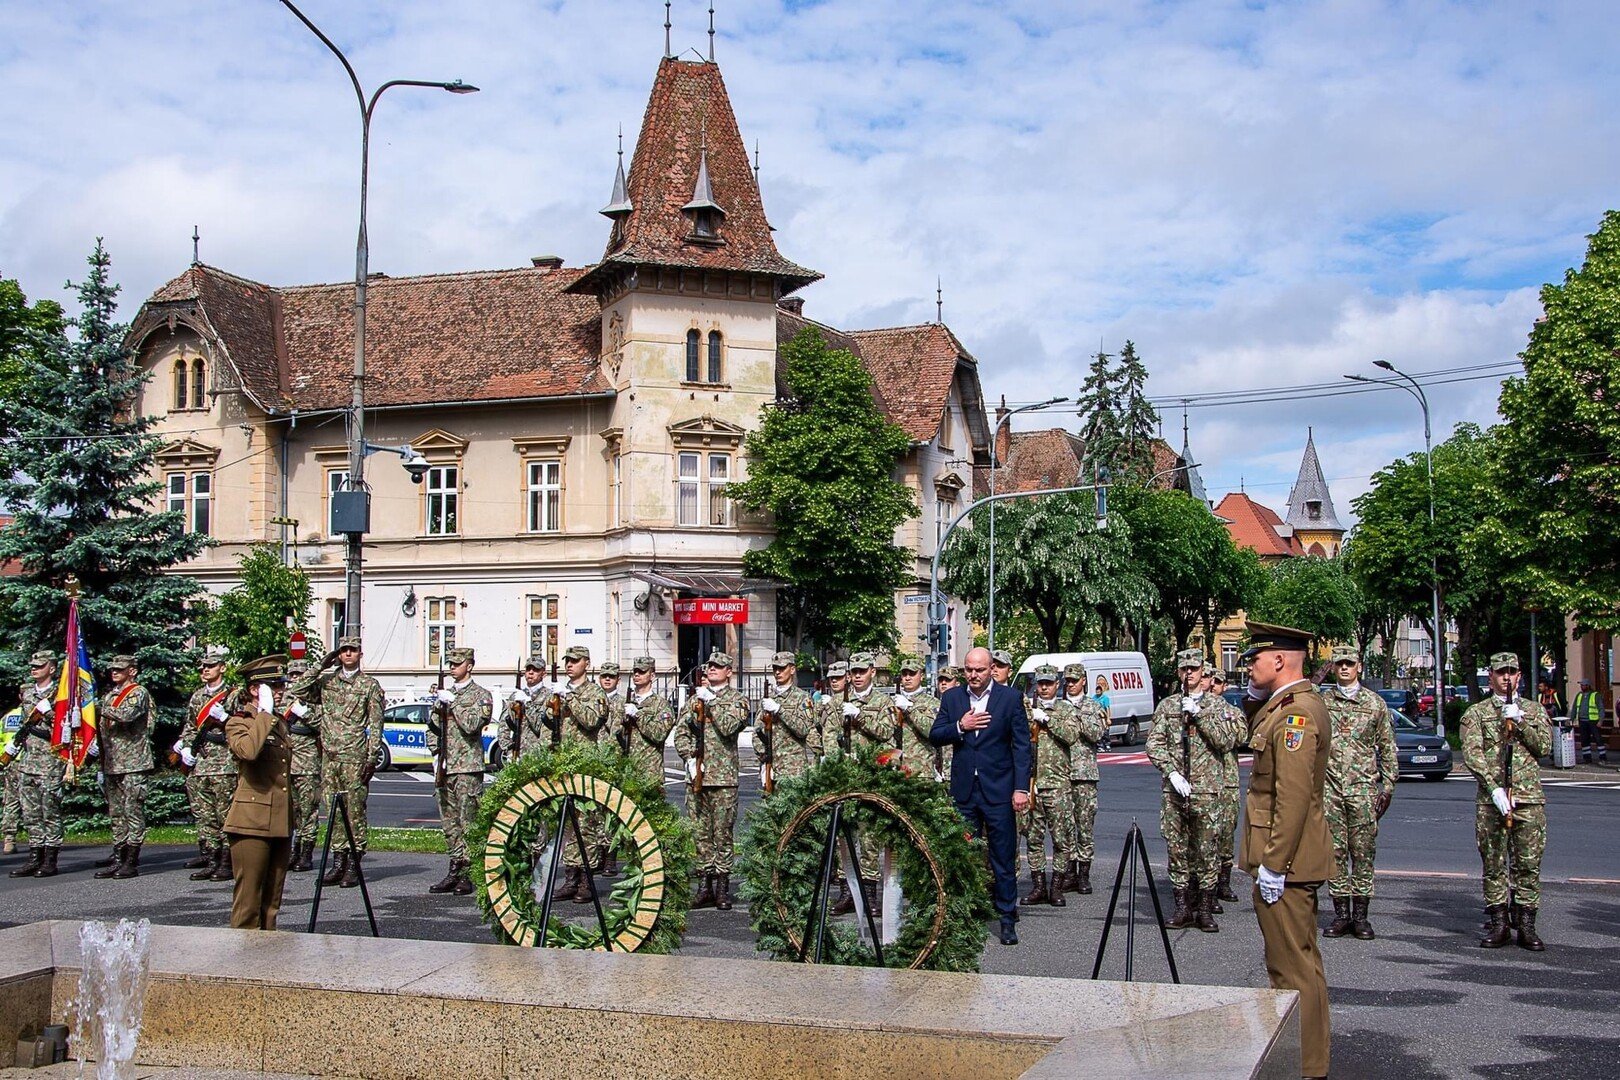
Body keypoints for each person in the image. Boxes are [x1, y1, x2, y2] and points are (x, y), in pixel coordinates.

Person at [1240, 622, 1334, 1080]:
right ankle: (1308, 1062)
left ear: (1279, 660)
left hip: (1287, 861)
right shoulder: (1284, 706)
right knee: (1301, 964)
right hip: (1289, 857)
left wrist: (1274, 865)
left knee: (1291, 970)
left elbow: (1292, 797)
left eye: (1255, 658)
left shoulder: (1296, 714)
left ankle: (1304, 1067)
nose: (1249, 665)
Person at [930, 646, 1032, 946]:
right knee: (964, 856)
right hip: (964, 791)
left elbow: (1022, 746)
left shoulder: (1010, 699)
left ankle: (1007, 917)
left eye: (979, 670)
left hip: (999, 790)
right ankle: (965, 917)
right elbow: (936, 734)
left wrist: (1021, 788)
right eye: (969, 670)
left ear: (991, 670)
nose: (973, 675)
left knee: (1002, 856)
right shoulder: (952, 698)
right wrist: (961, 726)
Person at [1461, 653, 1551, 951]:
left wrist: (1520, 721)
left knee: (1528, 864)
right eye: (1501, 673)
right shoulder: (1477, 713)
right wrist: (1493, 789)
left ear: (1520, 675)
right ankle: (1499, 922)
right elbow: (1472, 754)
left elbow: (1545, 747)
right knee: (1494, 863)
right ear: (1492, 677)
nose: (1507, 678)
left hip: (1528, 798)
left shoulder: (1534, 710)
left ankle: (1526, 924)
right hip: (1493, 801)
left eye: (1512, 672)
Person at [1146, 649, 1240, 931]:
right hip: (1175, 792)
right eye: (1184, 669)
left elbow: (1227, 742)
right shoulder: (1167, 706)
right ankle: (1182, 907)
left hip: (1208, 790)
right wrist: (1171, 772)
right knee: (1177, 850)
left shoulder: (1218, 706)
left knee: (1207, 851)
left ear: (1203, 673)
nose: (1189, 674)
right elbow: (1154, 744)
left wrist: (1200, 716)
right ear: (1179, 673)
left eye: (1194, 669)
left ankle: (1204, 909)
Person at [290, 636, 384, 888]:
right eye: (343, 651)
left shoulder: (369, 685)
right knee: (332, 810)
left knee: (353, 811)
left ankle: (353, 862)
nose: (348, 654)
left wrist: (372, 757)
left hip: (354, 756)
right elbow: (295, 690)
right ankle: (338, 861)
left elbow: (375, 724)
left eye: (352, 650)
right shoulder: (326, 681)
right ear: (338, 655)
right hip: (329, 757)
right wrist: (321, 664)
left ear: (360, 654)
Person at [1319, 646, 1398, 940]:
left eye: (1349, 664)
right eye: (1339, 664)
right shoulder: (1323, 702)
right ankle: (1340, 915)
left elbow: (1388, 748)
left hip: (1363, 789)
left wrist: (1388, 787)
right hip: (1331, 790)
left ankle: (1361, 916)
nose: (1344, 669)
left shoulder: (1374, 704)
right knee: (1335, 852)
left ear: (1359, 667)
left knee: (1363, 852)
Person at [674, 649, 749, 911]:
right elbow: (680, 733)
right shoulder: (694, 700)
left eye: (718, 667)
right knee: (700, 834)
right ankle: (704, 885)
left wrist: (712, 703)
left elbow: (729, 727)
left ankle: (723, 886)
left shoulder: (737, 700)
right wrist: (689, 758)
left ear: (729, 671)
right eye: (709, 667)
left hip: (723, 778)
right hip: (697, 776)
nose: (712, 670)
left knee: (723, 834)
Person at [224, 654, 294, 930]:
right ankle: (241, 963)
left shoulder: (277, 721)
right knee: (248, 903)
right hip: (251, 821)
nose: (280, 691)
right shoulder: (239, 722)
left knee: (272, 902)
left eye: (281, 685)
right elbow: (249, 751)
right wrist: (264, 714)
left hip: (279, 819)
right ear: (255, 690)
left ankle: (267, 961)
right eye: (273, 685)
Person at [426, 647, 491, 897]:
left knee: (468, 822)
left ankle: (469, 871)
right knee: (450, 824)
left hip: (467, 767)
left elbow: (472, 725)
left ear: (470, 665)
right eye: (450, 664)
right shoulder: (445, 694)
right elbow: (432, 727)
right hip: (445, 766)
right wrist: (434, 754)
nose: (453, 667)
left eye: (457, 663)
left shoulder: (481, 696)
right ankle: (455, 867)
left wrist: (453, 704)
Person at [546, 645, 608, 902]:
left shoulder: (595, 693)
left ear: (586, 663)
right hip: (562, 764)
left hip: (584, 764)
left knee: (587, 825)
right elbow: (549, 725)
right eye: (567, 661)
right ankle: (570, 877)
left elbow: (592, 721)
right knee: (568, 824)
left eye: (574, 661)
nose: (569, 665)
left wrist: (570, 699)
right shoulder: (561, 692)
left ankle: (586, 879)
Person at [1020, 664, 1078, 906]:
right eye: (1040, 683)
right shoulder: (1025, 708)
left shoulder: (1065, 709)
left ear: (1057, 684)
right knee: (1033, 838)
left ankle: (1057, 886)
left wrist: (1048, 720)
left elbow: (1072, 735)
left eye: (1049, 683)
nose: (1044, 687)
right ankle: (1038, 886)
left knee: (1062, 839)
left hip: (1057, 784)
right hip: (1032, 782)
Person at [93, 655, 153, 879]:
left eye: (120, 669)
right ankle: (118, 858)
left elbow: (127, 716)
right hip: (112, 763)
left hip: (133, 762)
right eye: (113, 670)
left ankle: (131, 861)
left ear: (132, 671)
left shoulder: (138, 693)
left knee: (133, 811)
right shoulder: (109, 696)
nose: (114, 673)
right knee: (116, 813)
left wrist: (98, 708)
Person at [181, 646, 238, 883]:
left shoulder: (233, 695)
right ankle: (212, 859)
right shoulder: (197, 696)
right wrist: (184, 746)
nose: (205, 670)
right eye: (203, 667)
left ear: (222, 668)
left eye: (210, 666)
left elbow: (242, 728)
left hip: (224, 764)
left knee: (225, 814)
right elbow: (190, 727)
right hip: (201, 765)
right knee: (204, 816)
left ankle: (228, 862)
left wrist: (226, 718)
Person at [9, 651, 66, 878]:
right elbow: (25, 725)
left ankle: (50, 859)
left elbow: (66, 728)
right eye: (32, 666)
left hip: (50, 761)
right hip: (29, 760)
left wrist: (50, 713)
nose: (34, 669)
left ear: (51, 668)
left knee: (49, 810)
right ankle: (34, 857)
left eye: (40, 666)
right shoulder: (28, 692)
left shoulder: (61, 694)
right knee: (30, 812)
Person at [1064, 662, 1108, 895]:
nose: (1070, 684)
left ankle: (1083, 874)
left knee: (1084, 825)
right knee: (1065, 826)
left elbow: (1096, 733)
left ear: (1084, 681)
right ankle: (1069, 872)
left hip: (1085, 774)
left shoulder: (1092, 706)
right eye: (1068, 681)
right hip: (1062, 774)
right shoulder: (1059, 706)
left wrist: (1077, 715)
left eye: (1074, 680)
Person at [1207, 671, 1245, 908]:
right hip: (1204, 782)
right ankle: (1205, 888)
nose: (1213, 685)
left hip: (1227, 781)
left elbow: (1239, 736)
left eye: (1218, 682)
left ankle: (1223, 881)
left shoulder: (1231, 711)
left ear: (1224, 686)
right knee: (1204, 837)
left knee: (1226, 834)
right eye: (1209, 680)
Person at [281, 658, 322, 873]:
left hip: (307, 761)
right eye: (293, 675)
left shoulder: (317, 698)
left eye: (300, 675)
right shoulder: (284, 698)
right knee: (292, 811)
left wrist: (305, 714)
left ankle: (306, 853)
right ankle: (293, 851)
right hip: (286, 761)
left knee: (308, 810)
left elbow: (326, 726)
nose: (296, 679)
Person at [756, 651, 820, 783]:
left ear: (792, 669)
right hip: (771, 766)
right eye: (775, 668)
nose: (778, 672)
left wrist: (780, 710)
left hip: (794, 769)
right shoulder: (767, 699)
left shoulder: (802, 697)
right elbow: (757, 731)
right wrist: (763, 757)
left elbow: (803, 730)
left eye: (782, 668)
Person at [615, 657, 677, 789]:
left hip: (650, 773)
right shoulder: (624, 702)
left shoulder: (661, 705)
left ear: (652, 675)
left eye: (642, 672)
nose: (637, 675)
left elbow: (659, 734)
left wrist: (637, 715)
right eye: (635, 671)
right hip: (626, 771)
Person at [892, 657, 942, 781]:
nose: (908, 678)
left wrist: (909, 709)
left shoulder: (932, 703)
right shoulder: (890, 702)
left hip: (921, 771)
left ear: (922, 676)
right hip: (894, 771)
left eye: (912, 674)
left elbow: (932, 732)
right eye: (904, 674)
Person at [499, 655, 551, 760]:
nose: (531, 672)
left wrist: (527, 704)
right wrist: (508, 749)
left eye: (536, 670)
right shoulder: (515, 696)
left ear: (544, 674)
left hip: (540, 755)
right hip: (518, 753)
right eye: (528, 669)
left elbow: (539, 726)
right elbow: (503, 724)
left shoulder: (549, 696)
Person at [1569, 678, 1607, 765]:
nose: (1581, 687)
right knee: (1584, 740)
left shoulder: (1595, 695)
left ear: (1588, 686)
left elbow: (1601, 708)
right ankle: (1587, 758)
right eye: (1581, 685)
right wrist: (1572, 719)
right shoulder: (1579, 695)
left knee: (1598, 739)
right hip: (1582, 721)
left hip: (1593, 721)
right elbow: (1574, 708)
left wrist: (1600, 720)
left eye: (1583, 685)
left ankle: (1603, 758)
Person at [1093, 675, 1114, 751]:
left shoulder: (1105, 698)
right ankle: (1100, 745)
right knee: (1099, 732)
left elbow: (1107, 708)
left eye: (1099, 691)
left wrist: (1108, 718)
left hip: (1103, 717)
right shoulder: (1094, 698)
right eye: (1096, 691)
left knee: (1105, 731)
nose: (1097, 692)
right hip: (1097, 717)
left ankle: (1107, 744)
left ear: (1101, 691)